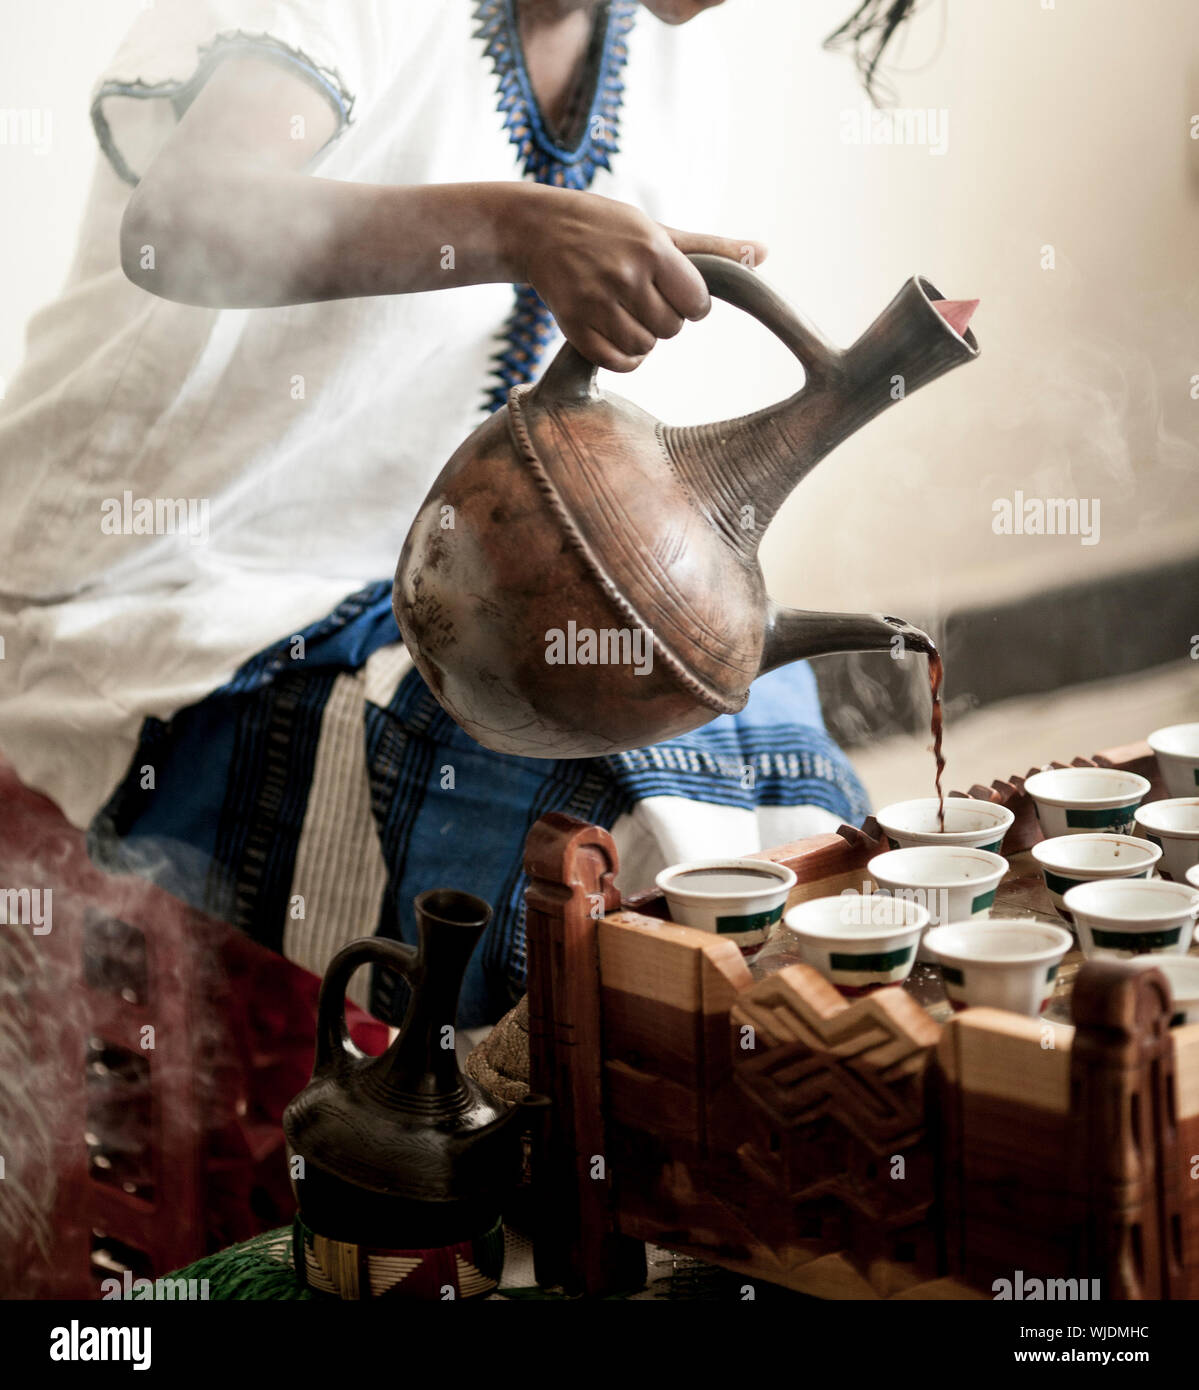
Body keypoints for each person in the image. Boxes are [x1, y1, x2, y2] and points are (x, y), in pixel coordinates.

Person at [0, 0, 915, 1027]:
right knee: (605, 825)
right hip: (156, 598)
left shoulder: (661, 63)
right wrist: (520, 229)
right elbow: (181, 225)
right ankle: (634, 1140)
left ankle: (802, 1094)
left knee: (767, 750)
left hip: (421, 586)